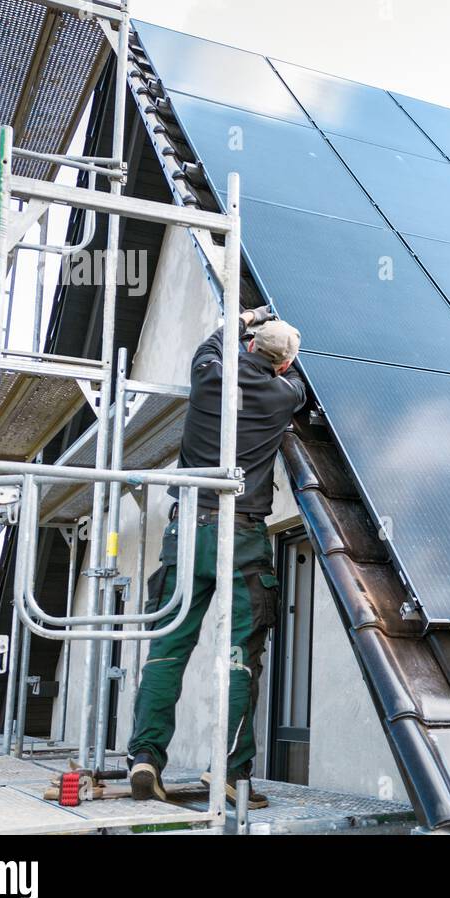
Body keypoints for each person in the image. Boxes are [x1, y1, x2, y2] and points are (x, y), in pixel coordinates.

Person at [128, 304, 305, 809]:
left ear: (248, 347)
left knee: (166, 652)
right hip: (240, 537)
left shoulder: (208, 374)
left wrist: (247, 317)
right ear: (284, 365)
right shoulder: (284, 394)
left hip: (184, 533)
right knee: (238, 659)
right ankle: (228, 772)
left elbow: (215, 340)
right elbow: (300, 387)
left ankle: (145, 759)